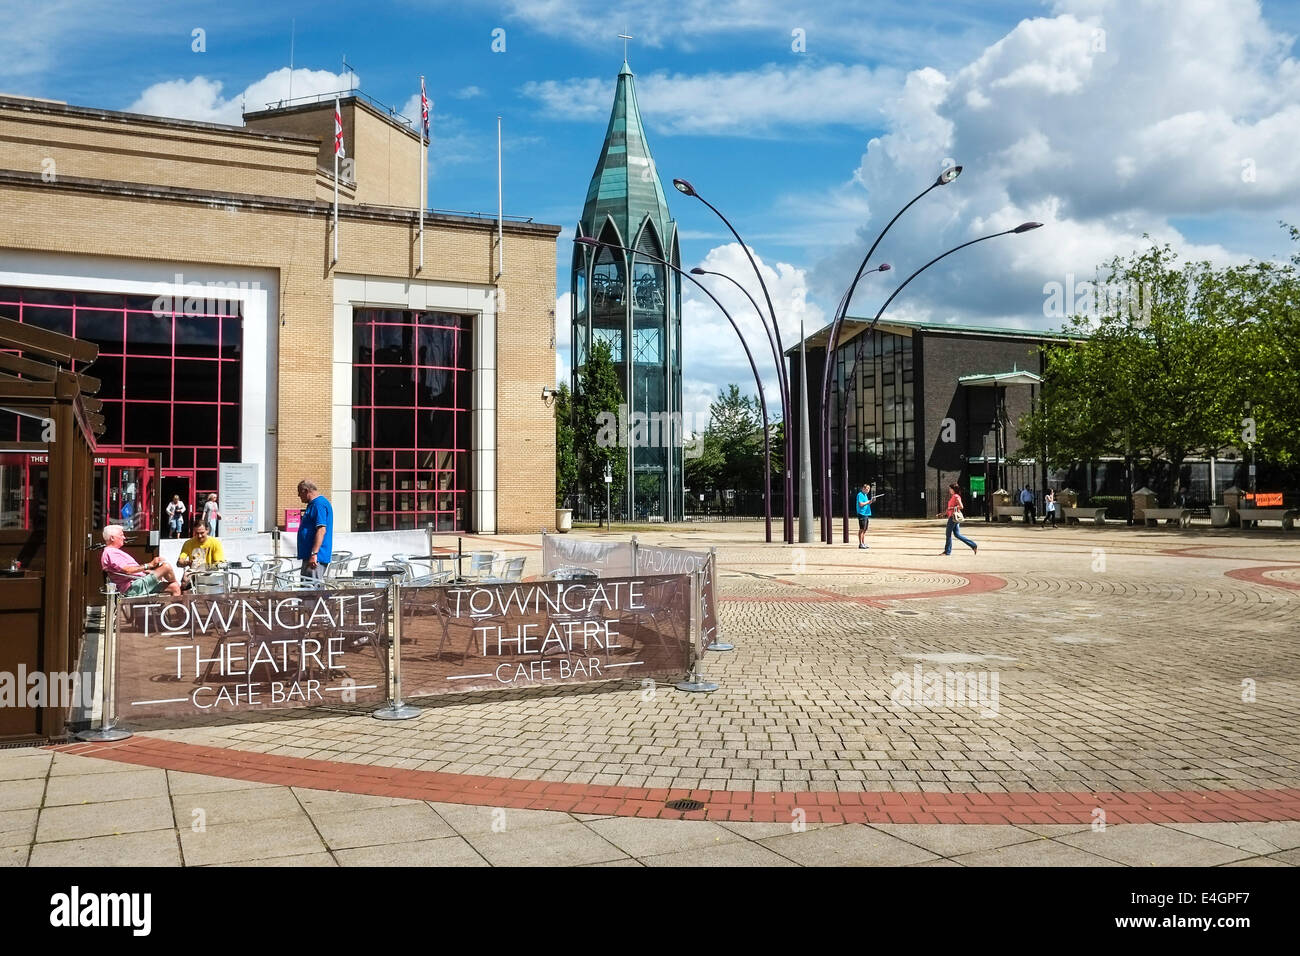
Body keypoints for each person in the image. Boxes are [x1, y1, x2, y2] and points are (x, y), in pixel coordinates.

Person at [100, 524, 181, 596]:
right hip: (132, 587)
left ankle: (178, 612)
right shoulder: (111, 553)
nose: (124, 537)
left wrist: (149, 572)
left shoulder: (113, 552)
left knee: (175, 587)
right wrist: (149, 565)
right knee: (166, 567)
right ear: (112, 538)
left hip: (138, 582)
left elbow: (131, 569)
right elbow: (128, 570)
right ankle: (180, 585)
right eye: (121, 535)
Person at [296, 478, 333, 583]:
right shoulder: (314, 505)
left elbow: (321, 530)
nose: (299, 496)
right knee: (307, 589)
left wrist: (314, 554)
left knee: (311, 590)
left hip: (315, 558)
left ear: (306, 491)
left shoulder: (318, 505)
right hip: (311, 556)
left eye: (299, 492)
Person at [938, 483, 978, 556]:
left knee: (948, 534)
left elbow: (961, 506)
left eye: (950, 489)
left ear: (953, 489)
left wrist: (952, 508)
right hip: (953, 517)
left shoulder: (956, 496)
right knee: (957, 534)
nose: (949, 490)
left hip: (953, 518)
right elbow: (950, 509)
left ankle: (947, 551)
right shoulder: (953, 496)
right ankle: (973, 545)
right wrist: (943, 514)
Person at [856, 482, 873, 549]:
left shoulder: (865, 495)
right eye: (867, 489)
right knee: (861, 529)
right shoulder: (860, 494)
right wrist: (868, 502)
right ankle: (860, 544)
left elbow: (866, 504)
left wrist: (870, 502)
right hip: (861, 514)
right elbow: (861, 504)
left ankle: (863, 543)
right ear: (863, 488)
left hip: (866, 514)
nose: (868, 490)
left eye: (869, 489)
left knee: (865, 529)